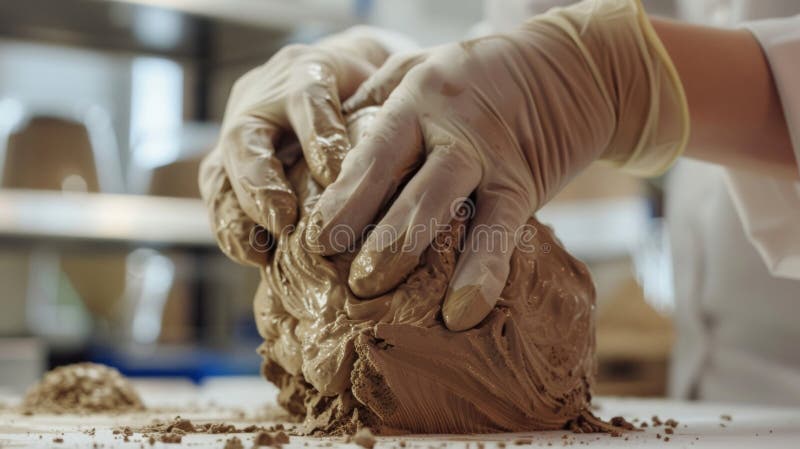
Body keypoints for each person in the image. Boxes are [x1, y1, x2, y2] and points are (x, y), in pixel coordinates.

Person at [199, 0, 800, 404]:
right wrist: (376, 65)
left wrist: (624, 78)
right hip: (725, 384)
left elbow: (591, 54)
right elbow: (527, 36)